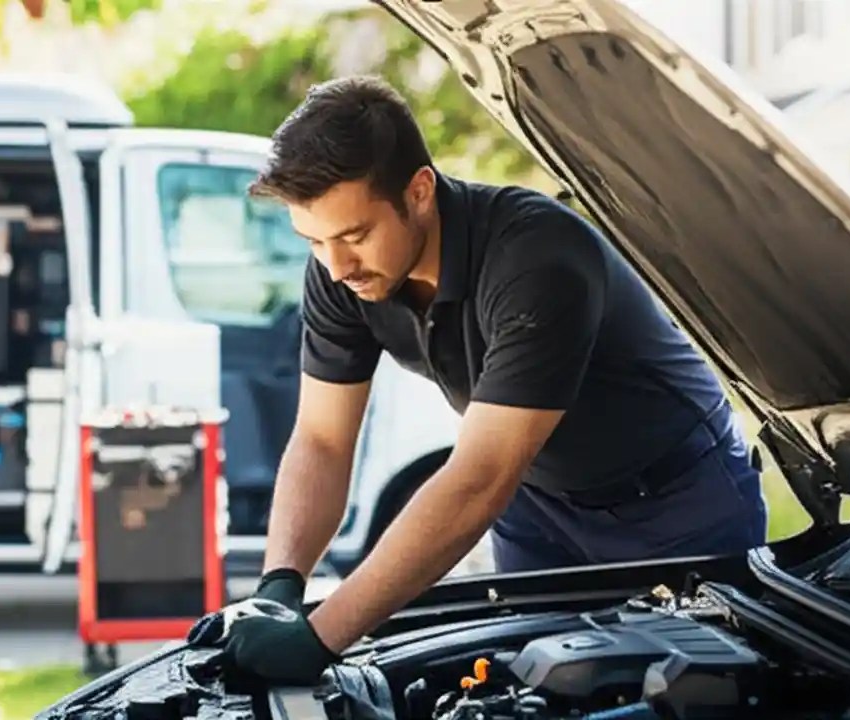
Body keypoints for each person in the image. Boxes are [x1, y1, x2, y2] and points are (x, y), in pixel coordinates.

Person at [188, 75, 768, 685]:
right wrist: (281, 587)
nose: (336, 266)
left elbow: (478, 478)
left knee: (694, 695)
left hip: (677, 504)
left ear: (418, 193)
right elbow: (323, 441)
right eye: (314, 242)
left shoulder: (537, 260)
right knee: (535, 690)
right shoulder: (343, 275)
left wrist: (321, 635)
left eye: (355, 236)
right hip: (539, 503)